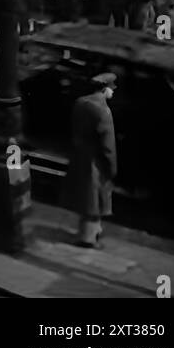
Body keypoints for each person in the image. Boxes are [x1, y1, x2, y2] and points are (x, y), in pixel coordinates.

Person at [68, 73, 117, 248]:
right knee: (95, 201)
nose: (113, 92)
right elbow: (108, 145)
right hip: (96, 161)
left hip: (81, 155)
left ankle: (88, 233)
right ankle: (88, 239)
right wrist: (112, 167)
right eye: (112, 88)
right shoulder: (103, 111)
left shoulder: (80, 103)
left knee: (86, 198)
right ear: (105, 89)